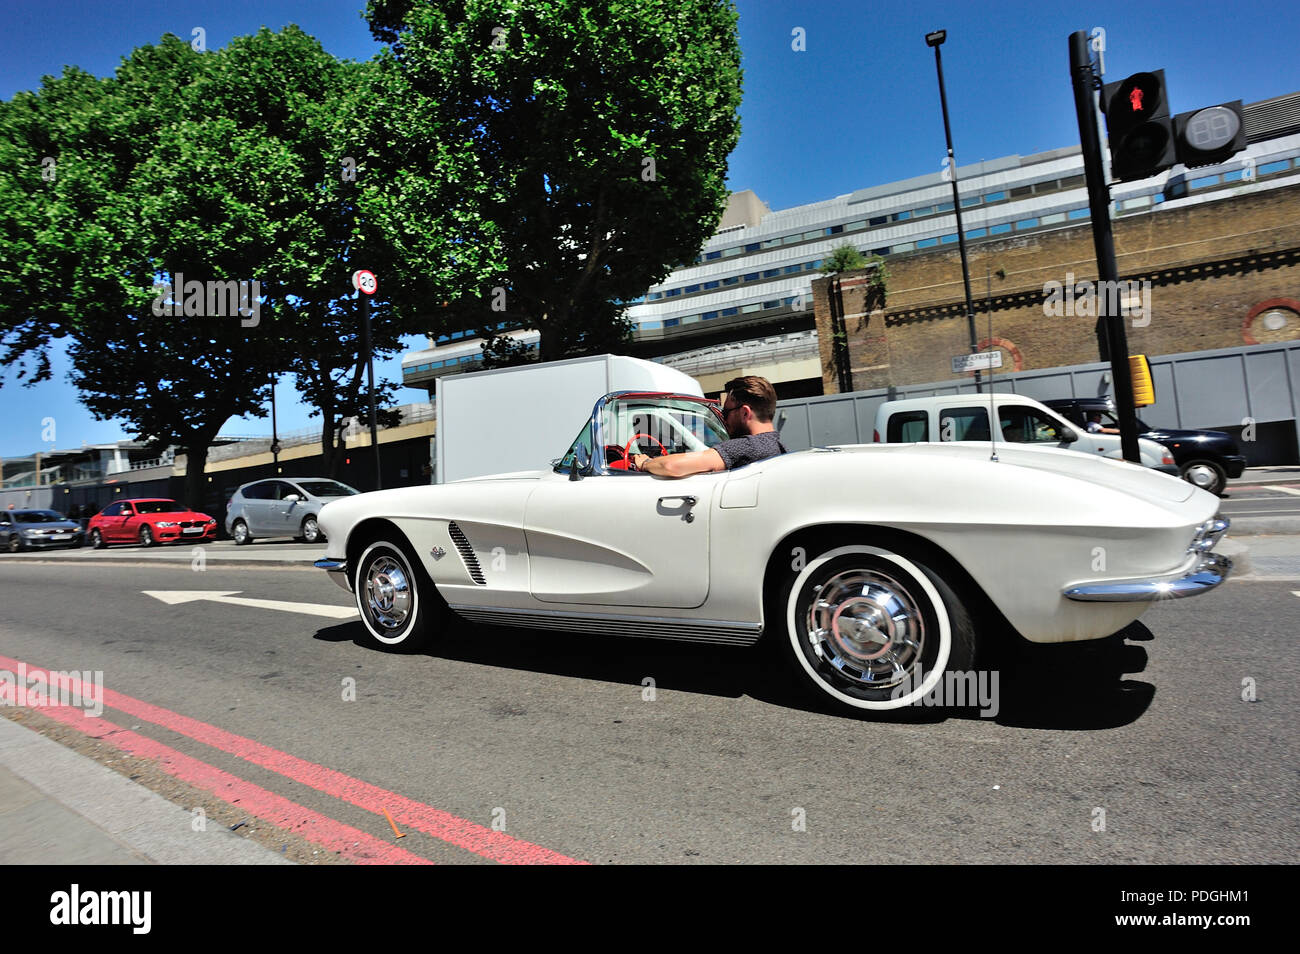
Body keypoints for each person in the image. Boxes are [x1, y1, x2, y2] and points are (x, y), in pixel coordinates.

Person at [631, 375, 788, 478]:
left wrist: (645, 463)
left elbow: (672, 466)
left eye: (726, 412)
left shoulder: (747, 446)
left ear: (745, 413)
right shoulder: (780, 448)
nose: (724, 419)